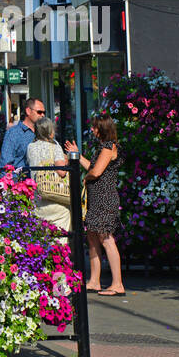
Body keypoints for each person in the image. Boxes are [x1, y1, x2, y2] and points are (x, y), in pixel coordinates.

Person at [66, 116, 125, 295]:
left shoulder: (108, 147)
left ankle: (117, 284)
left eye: (95, 128)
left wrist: (86, 178)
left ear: (103, 128)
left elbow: (96, 171)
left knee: (106, 238)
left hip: (104, 199)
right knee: (92, 238)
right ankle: (94, 281)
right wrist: (77, 154)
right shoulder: (103, 147)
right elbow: (92, 166)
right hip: (97, 199)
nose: (92, 130)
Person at [27, 116, 71, 232]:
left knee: (43, 236)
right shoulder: (55, 146)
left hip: (39, 198)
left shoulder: (30, 147)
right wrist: (67, 161)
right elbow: (61, 172)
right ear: (50, 131)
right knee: (61, 237)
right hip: (55, 199)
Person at [0, 96, 46, 172]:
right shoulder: (13, 133)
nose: (43, 115)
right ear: (28, 111)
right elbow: (5, 164)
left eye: (44, 112)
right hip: (21, 181)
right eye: (39, 112)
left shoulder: (43, 132)